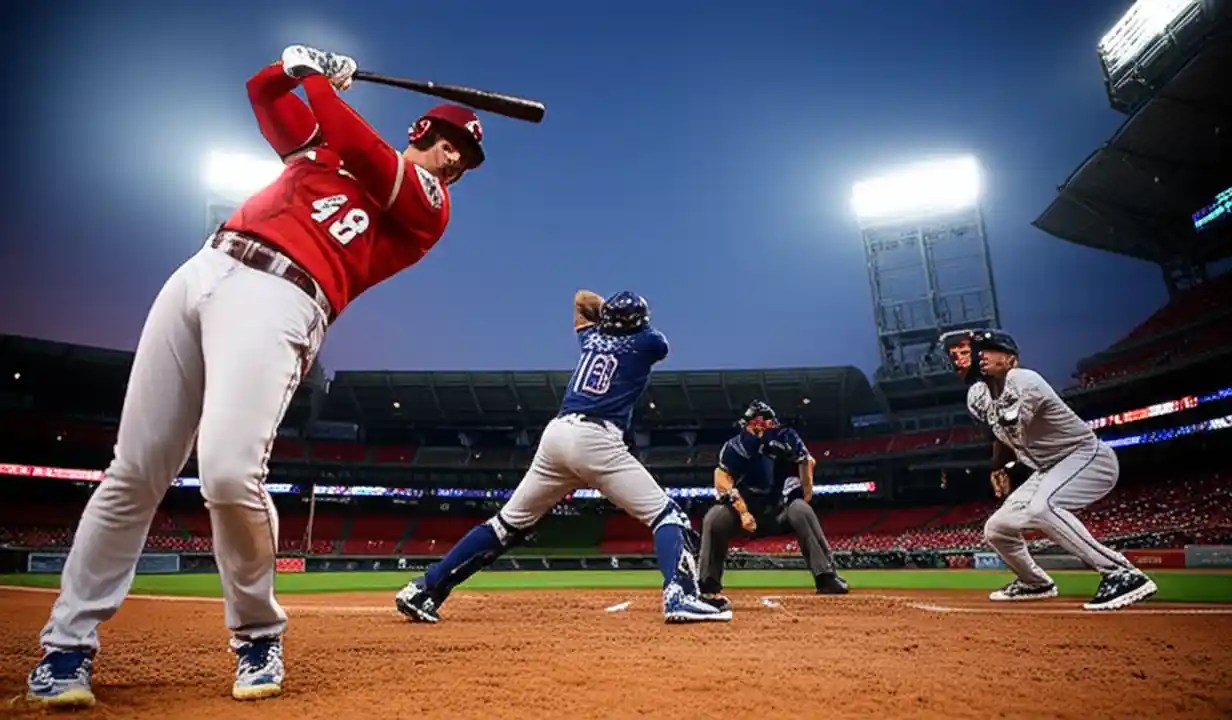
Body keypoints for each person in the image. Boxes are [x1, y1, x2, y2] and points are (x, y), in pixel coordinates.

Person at [27, 44, 490, 707]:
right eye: (451, 144)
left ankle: (256, 633)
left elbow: (359, 147)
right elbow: (262, 94)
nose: (456, 162)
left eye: (466, 159)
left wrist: (320, 81)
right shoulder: (321, 153)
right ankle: (66, 649)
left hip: (286, 296)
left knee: (226, 472)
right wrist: (287, 71)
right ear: (423, 131)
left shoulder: (425, 206)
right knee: (133, 470)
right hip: (205, 268)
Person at [395, 290, 731, 624]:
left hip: (556, 436)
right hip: (596, 439)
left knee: (506, 524)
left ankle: (424, 589)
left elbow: (580, 298)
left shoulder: (592, 338)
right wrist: (620, 319)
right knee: (668, 515)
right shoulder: (649, 342)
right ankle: (680, 596)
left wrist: (608, 316)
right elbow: (656, 344)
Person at [941, 329, 1158, 611]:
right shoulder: (977, 394)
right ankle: (1035, 582)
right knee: (997, 528)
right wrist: (998, 467)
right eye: (974, 352)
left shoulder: (1024, 380)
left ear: (1011, 360)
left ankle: (1122, 573)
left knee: (1042, 508)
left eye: (987, 350)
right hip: (1047, 468)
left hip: (1087, 457)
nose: (977, 357)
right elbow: (1000, 435)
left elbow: (1013, 424)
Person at [696, 400, 849, 611]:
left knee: (802, 510)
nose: (761, 427)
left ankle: (826, 576)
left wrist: (805, 473)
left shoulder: (786, 438)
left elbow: (807, 465)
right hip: (744, 511)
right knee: (714, 517)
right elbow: (721, 479)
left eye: (765, 421)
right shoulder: (733, 447)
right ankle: (706, 584)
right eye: (757, 422)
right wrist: (743, 512)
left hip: (777, 510)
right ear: (748, 424)